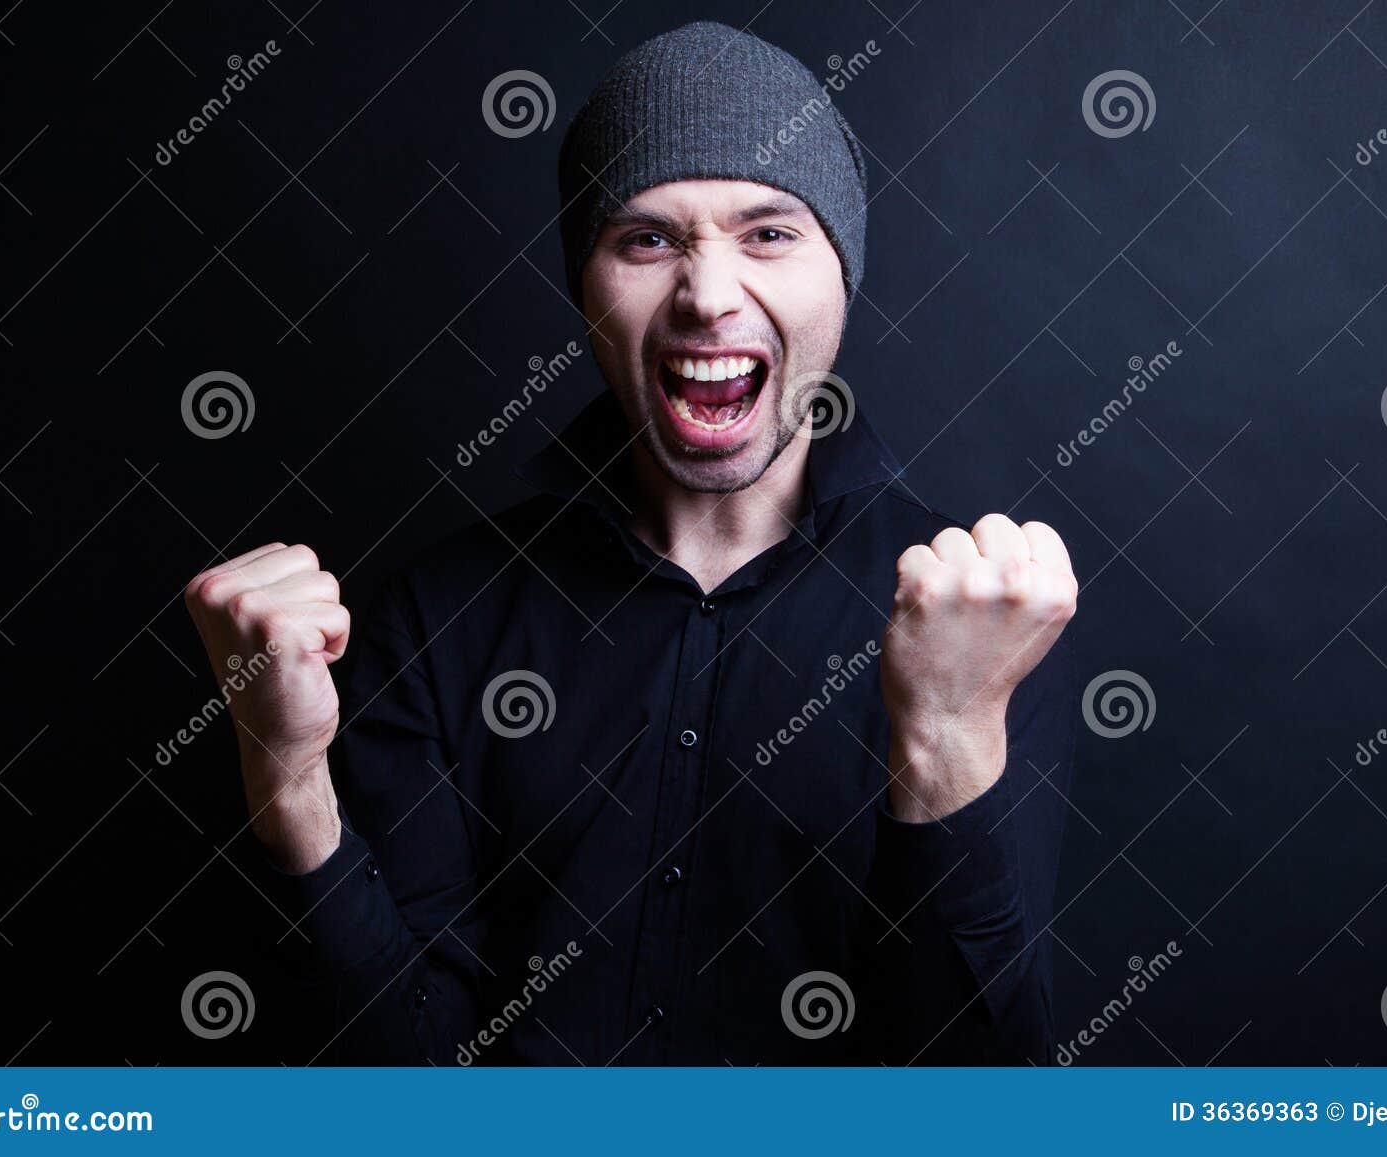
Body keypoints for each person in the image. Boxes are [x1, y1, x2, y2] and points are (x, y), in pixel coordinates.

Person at [183, 20, 1079, 1065]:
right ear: (585, 283)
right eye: (647, 239)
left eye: (769, 233)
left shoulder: (979, 617)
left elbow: (980, 1099)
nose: (707, 295)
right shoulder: (437, 619)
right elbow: (400, 1081)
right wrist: (287, 776)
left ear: (843, 271)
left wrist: (949, 734)